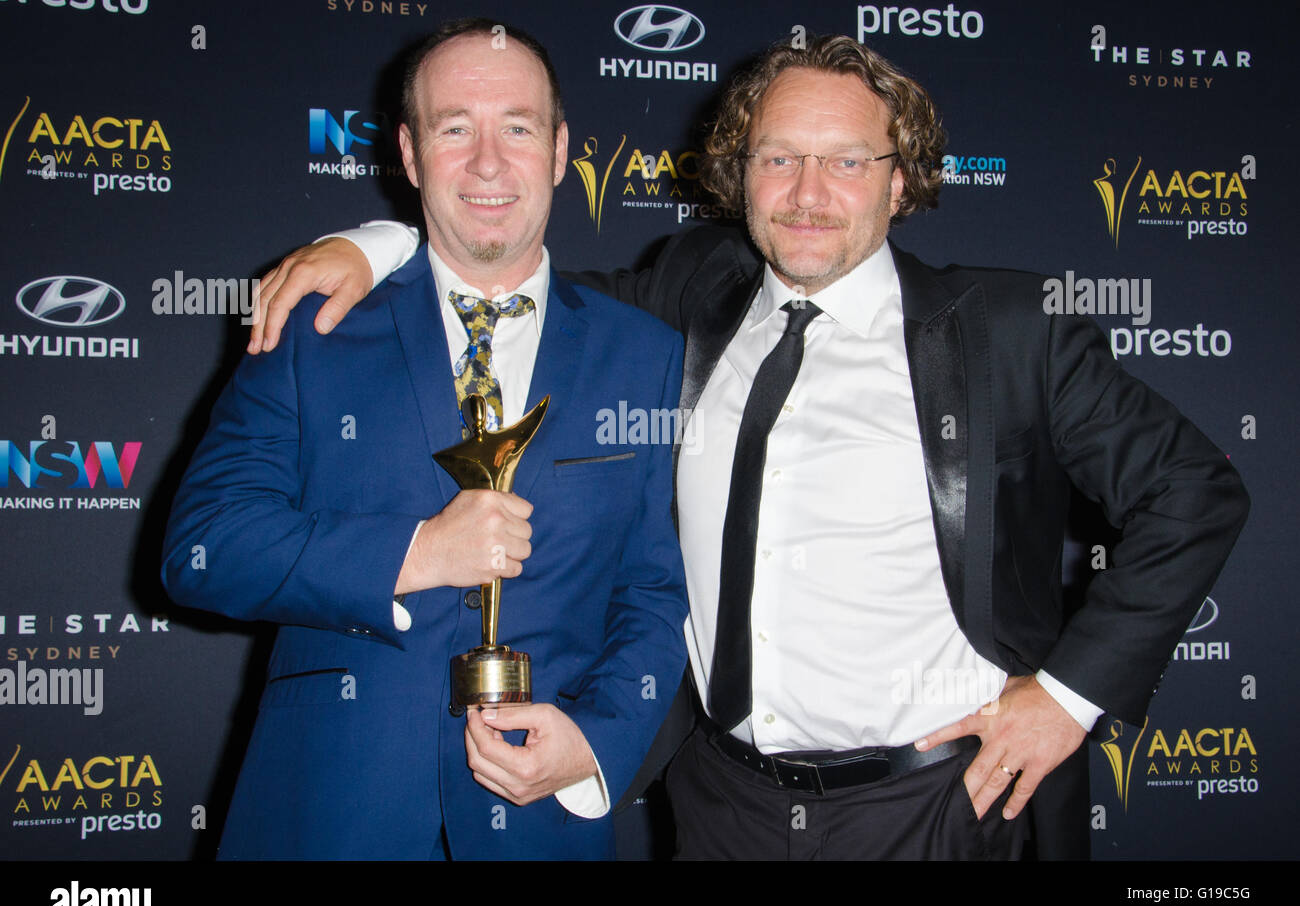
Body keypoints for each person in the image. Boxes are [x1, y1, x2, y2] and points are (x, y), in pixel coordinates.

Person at [243, 35, 1248, 859]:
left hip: (937, 809)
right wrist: (376, 246)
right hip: (722, 806)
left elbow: (1194, 492)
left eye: (848, 160)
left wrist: (1067, 698)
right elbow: (503, 272)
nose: (809, 192)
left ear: (900, 182)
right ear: (740, 171)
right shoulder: (691, 294)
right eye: (779, 157)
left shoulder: (1006, 331)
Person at [161, 19, 687, 860]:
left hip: (544, 828)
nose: (487, 161)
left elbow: (658, 593)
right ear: (409, 154)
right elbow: (202, 547)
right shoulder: (312, 326)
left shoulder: (647, 353)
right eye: (454, 129)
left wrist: (595, 742)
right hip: (330, 817)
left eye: (516, 128)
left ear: (559, 151)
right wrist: (414, 553)